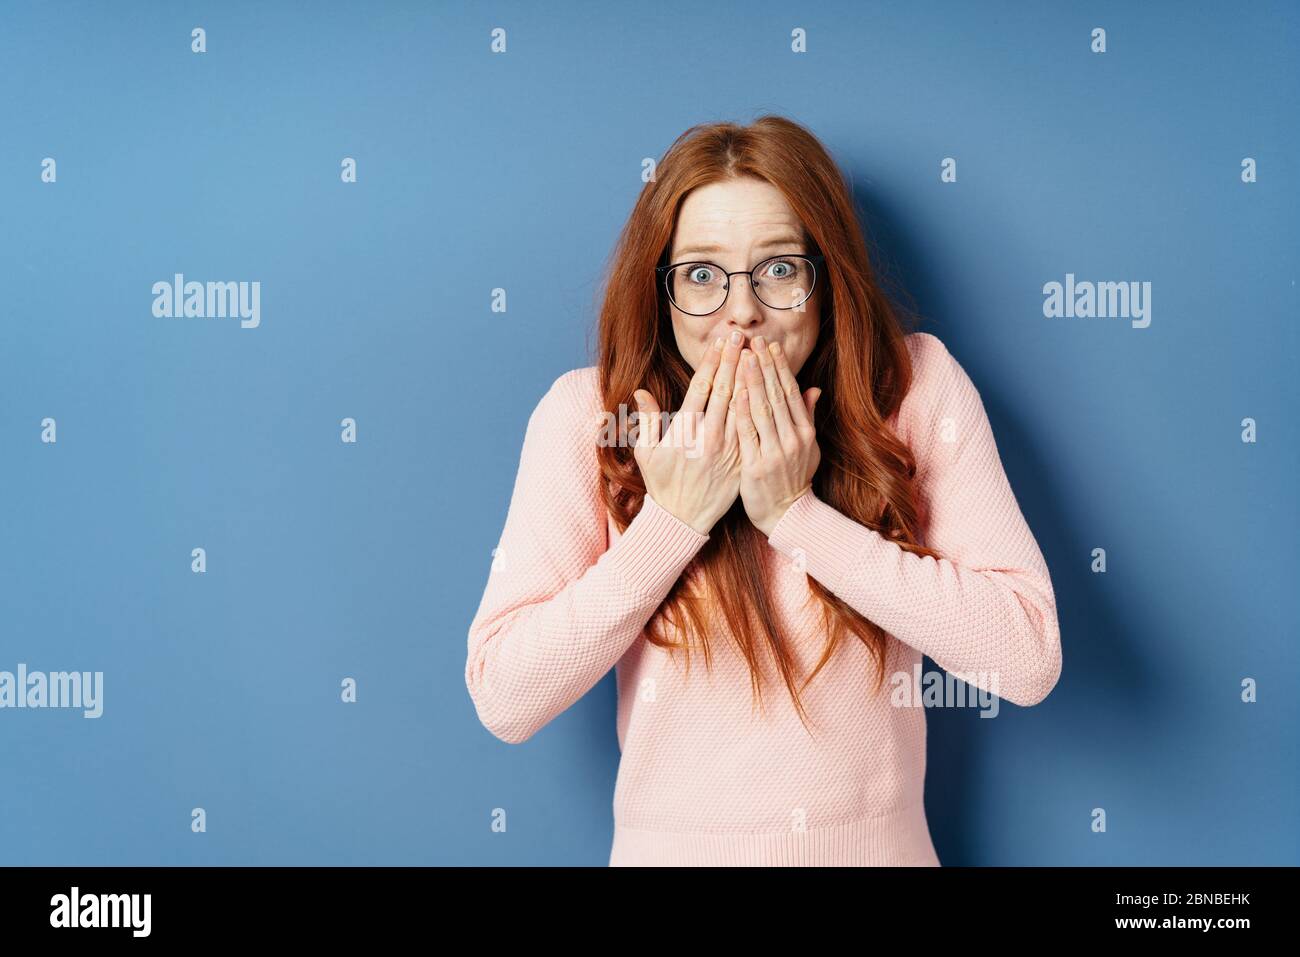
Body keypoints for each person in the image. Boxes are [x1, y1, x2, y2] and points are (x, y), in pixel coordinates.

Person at [465, 115, 1062, 866]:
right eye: (702, 275)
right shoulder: (590, 418)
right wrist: (672, 522)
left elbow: (1028, 656)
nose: (741, 310)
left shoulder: (914, 392)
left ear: (826, 277)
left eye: (778, 268)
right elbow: (505, 697)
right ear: (662, 291)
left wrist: (797, 517)